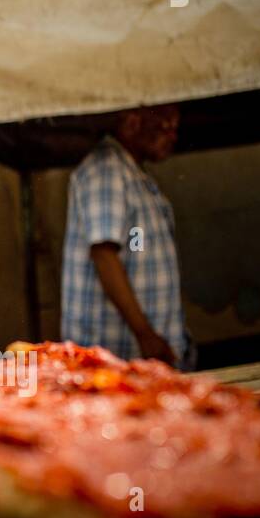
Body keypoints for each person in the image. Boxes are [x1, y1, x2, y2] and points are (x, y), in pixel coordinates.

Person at [60, 104, 193, 368]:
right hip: (120, 358)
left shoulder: (131, 173)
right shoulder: (107, 170)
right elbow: (104, 254)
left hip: (140, 357)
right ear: (132, 123)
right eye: (165, 127)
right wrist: (145, 334)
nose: (173, 137)